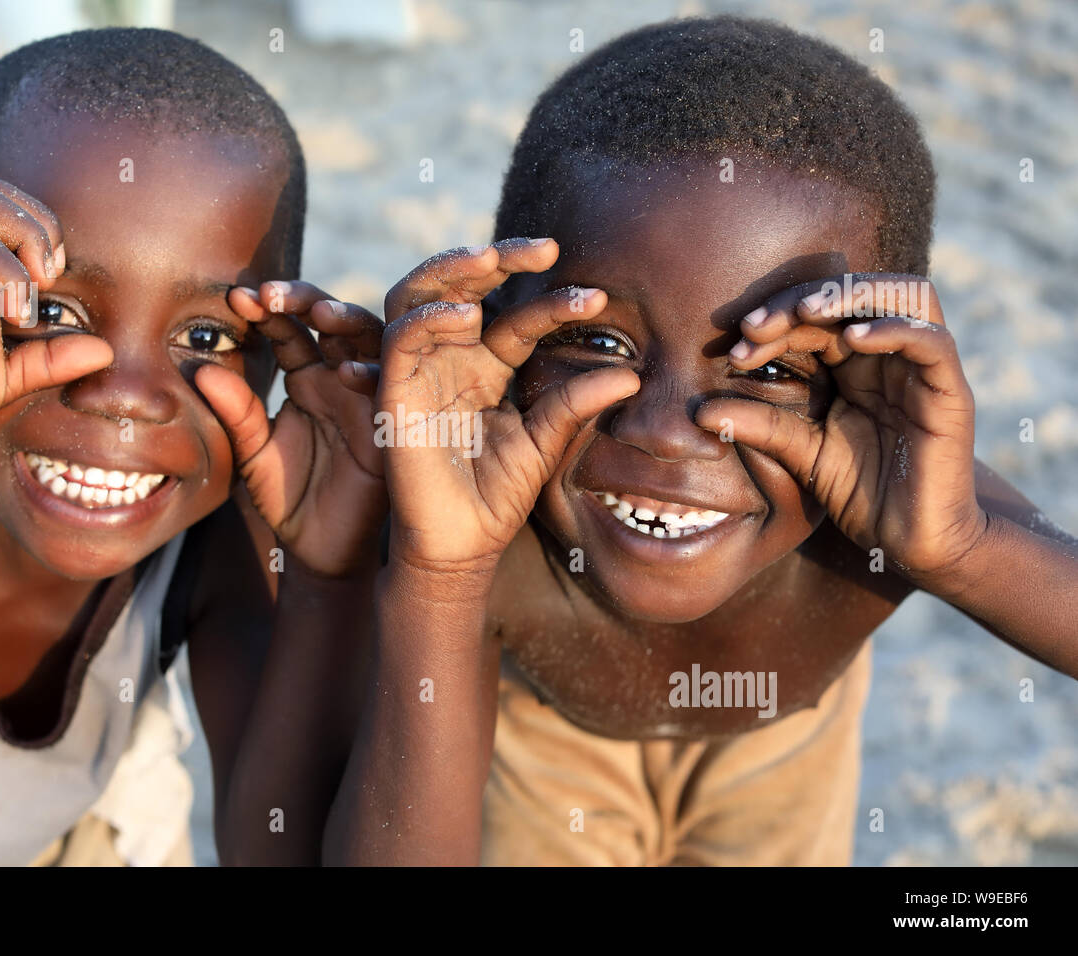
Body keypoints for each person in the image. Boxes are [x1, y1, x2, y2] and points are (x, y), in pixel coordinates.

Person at [324, 16, 1078, 865]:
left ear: (873, 382)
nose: (666, 435)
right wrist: (440, 580)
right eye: (601, 345)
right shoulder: (471, 522)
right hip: (541, 737)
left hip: (784, 740)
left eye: (771, 371)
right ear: (503, 336)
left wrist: (960, 550)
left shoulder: (888, 489)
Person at [0, 28, 383, 866]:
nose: (126, 393)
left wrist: (330, 576)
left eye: (205, 333)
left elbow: (282, 847)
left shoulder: (220, 542)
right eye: (54, 313)